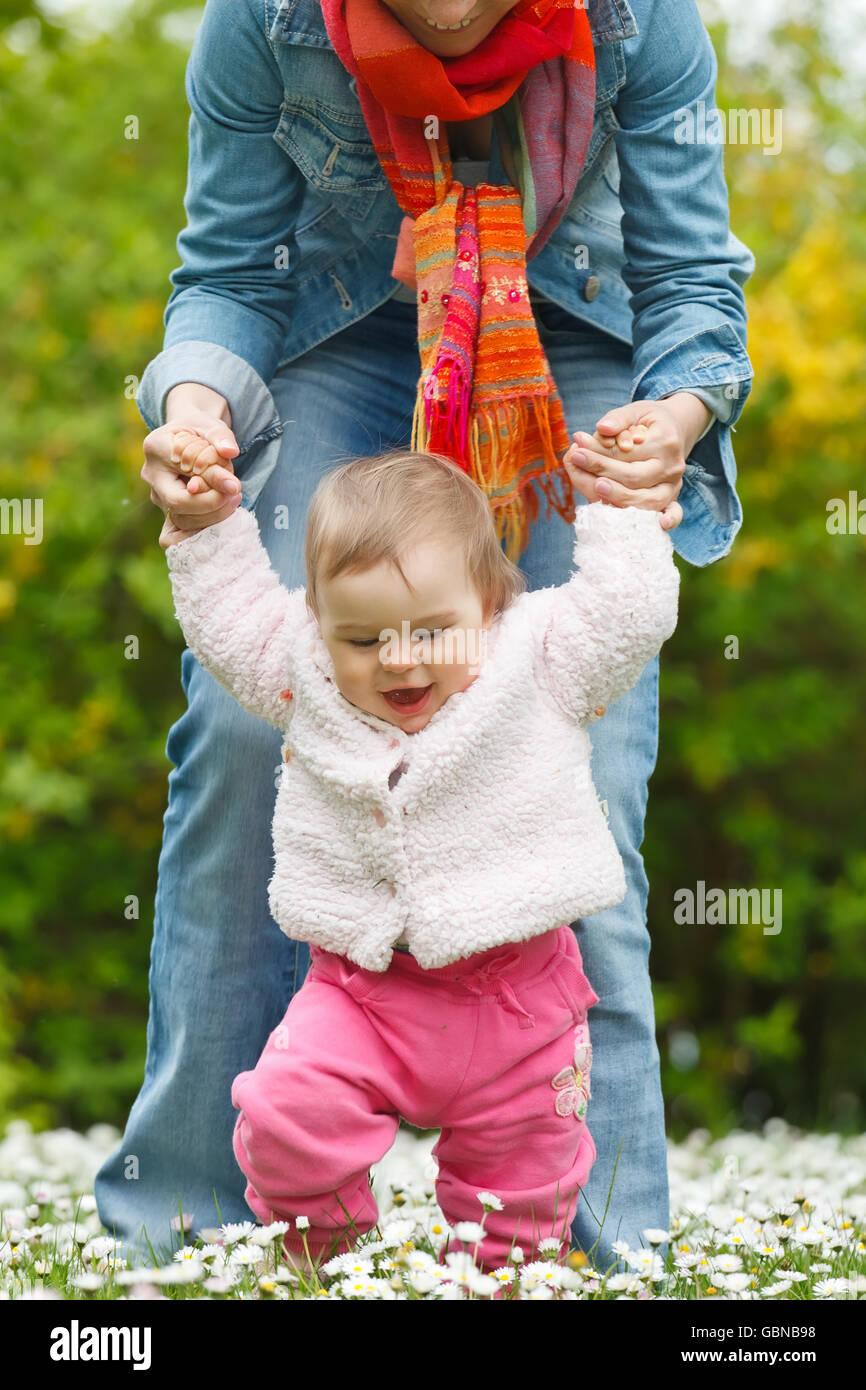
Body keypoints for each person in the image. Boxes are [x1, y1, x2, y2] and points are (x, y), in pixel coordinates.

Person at [94, 0, 755, 1271]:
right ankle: (192, 1232)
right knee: (246, 724)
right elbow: (227, 276)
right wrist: (188, 411)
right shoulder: (262, 25)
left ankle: (589, 1250)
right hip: (338, 338)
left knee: (579, 754)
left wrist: (672, 420)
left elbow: (688, 282)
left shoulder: (639, 23)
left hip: (581, 343)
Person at [158, 442, 680, 1273]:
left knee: (519, 1205)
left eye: (432, 633)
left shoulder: (537, 659)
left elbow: (628, 615)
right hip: (362, 992)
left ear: (489, 602)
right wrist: (206, 528)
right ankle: (329, 1263)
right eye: (362, 638)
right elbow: (230, 622)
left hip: (521, 1008)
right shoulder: (309, 675)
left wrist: (621, 514)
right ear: (319, 625)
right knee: (286, 1118)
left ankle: (496, 1285)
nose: (399, 662)